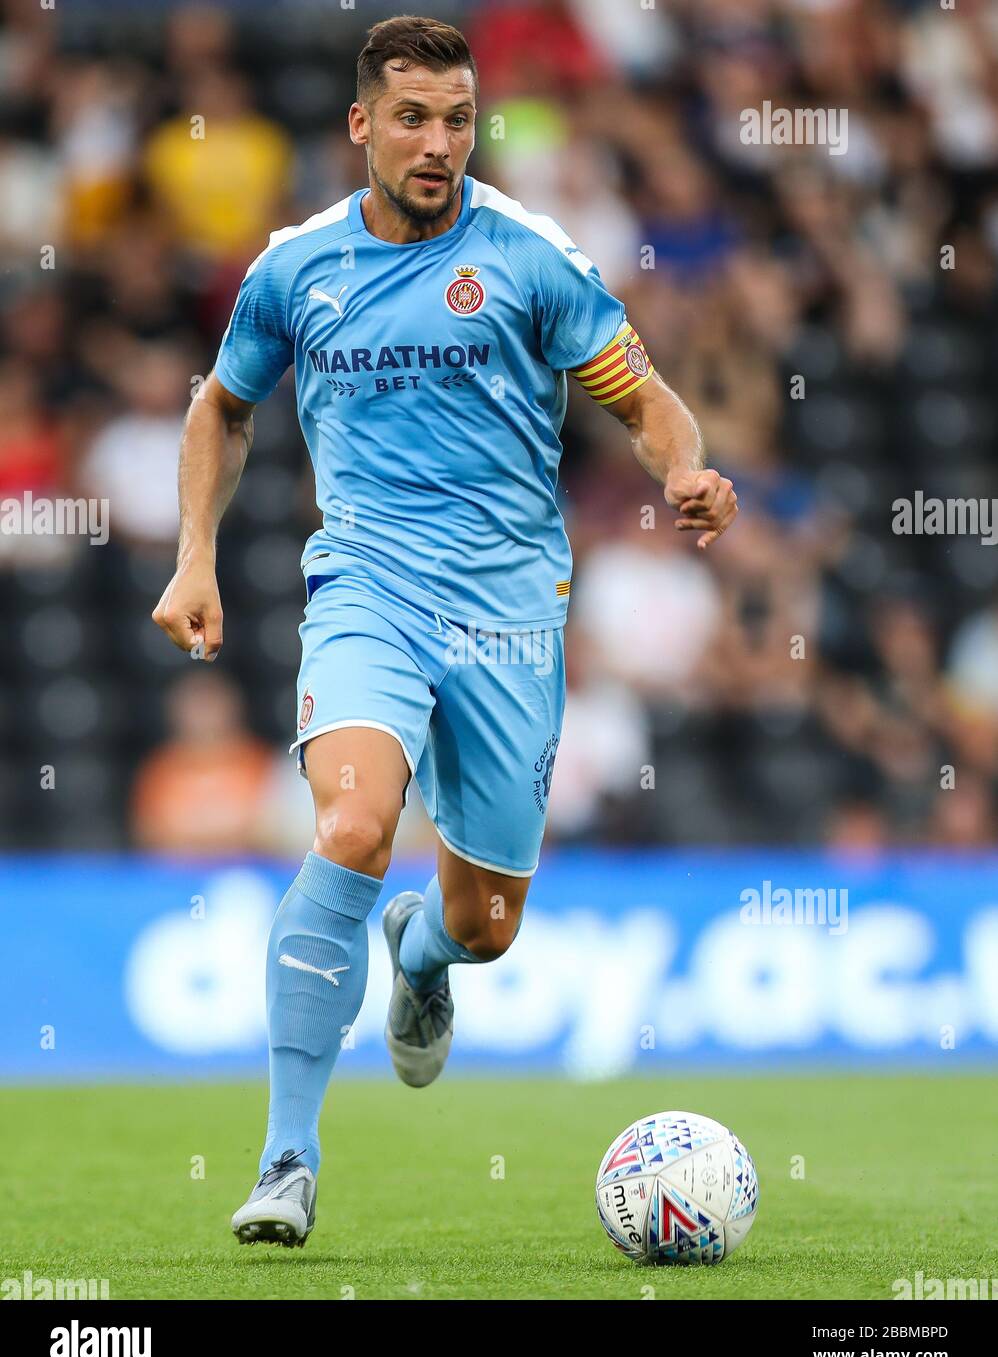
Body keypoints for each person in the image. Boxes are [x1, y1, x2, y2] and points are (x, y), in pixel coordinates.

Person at [151, 15, 737, 1247]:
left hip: (512, 614)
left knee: (483, 925)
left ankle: (420, 954)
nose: (438, 142)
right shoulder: (294, 269)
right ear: (360, 125)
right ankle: (285, 1159)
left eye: (458, 119)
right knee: (355, 826)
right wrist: (195, 555)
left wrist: (685, 469)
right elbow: (222, 409)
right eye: (412, 118)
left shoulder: (528, 255)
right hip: (367, 585)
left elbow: (643, 397)